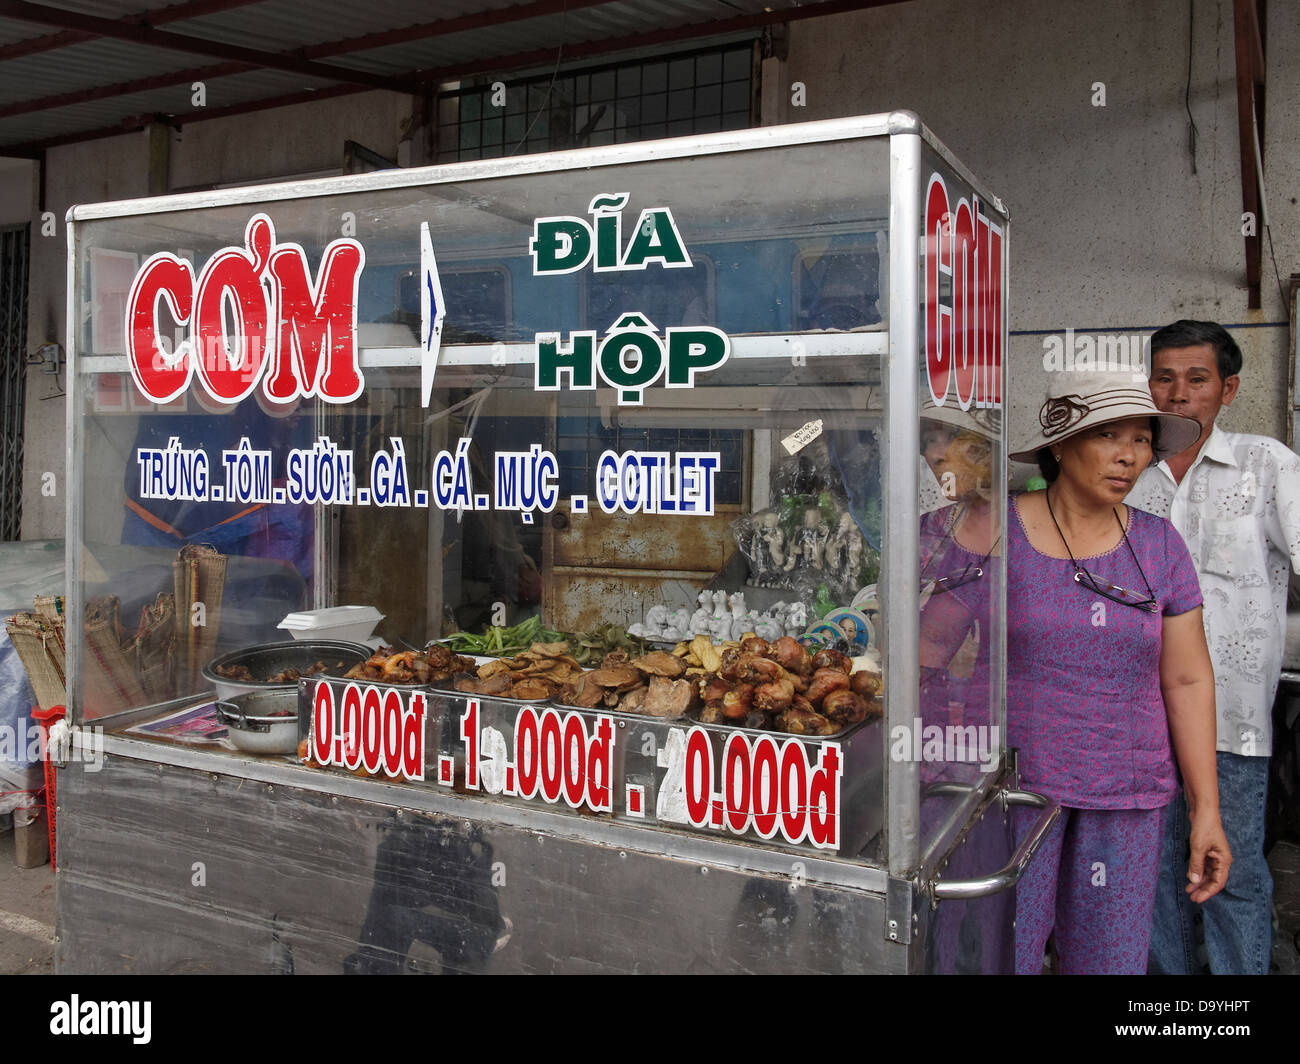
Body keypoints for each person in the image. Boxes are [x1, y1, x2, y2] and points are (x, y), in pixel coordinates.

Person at [1007, 370, 1230, 974]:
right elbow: (929, 654)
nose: (1129, 456)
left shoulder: (1159, 545)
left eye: (1141, 439)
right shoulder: (994, 533)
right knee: (1002, 958)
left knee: (1110, 964)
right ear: (1059, 444)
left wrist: (1206, 809)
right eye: (1108, 435)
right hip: (1013, 798)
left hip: (1125, 801)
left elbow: (1186, 680)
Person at [1128, 319, 1300, 976]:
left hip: (1231, 723)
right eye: (1164, 378)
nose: (1178, 394)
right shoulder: (1127, 473)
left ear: (1227, 389)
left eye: (1196, 379)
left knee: (1231, 876)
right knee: (1155, 881)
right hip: (1139, 720)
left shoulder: (1265, 466)